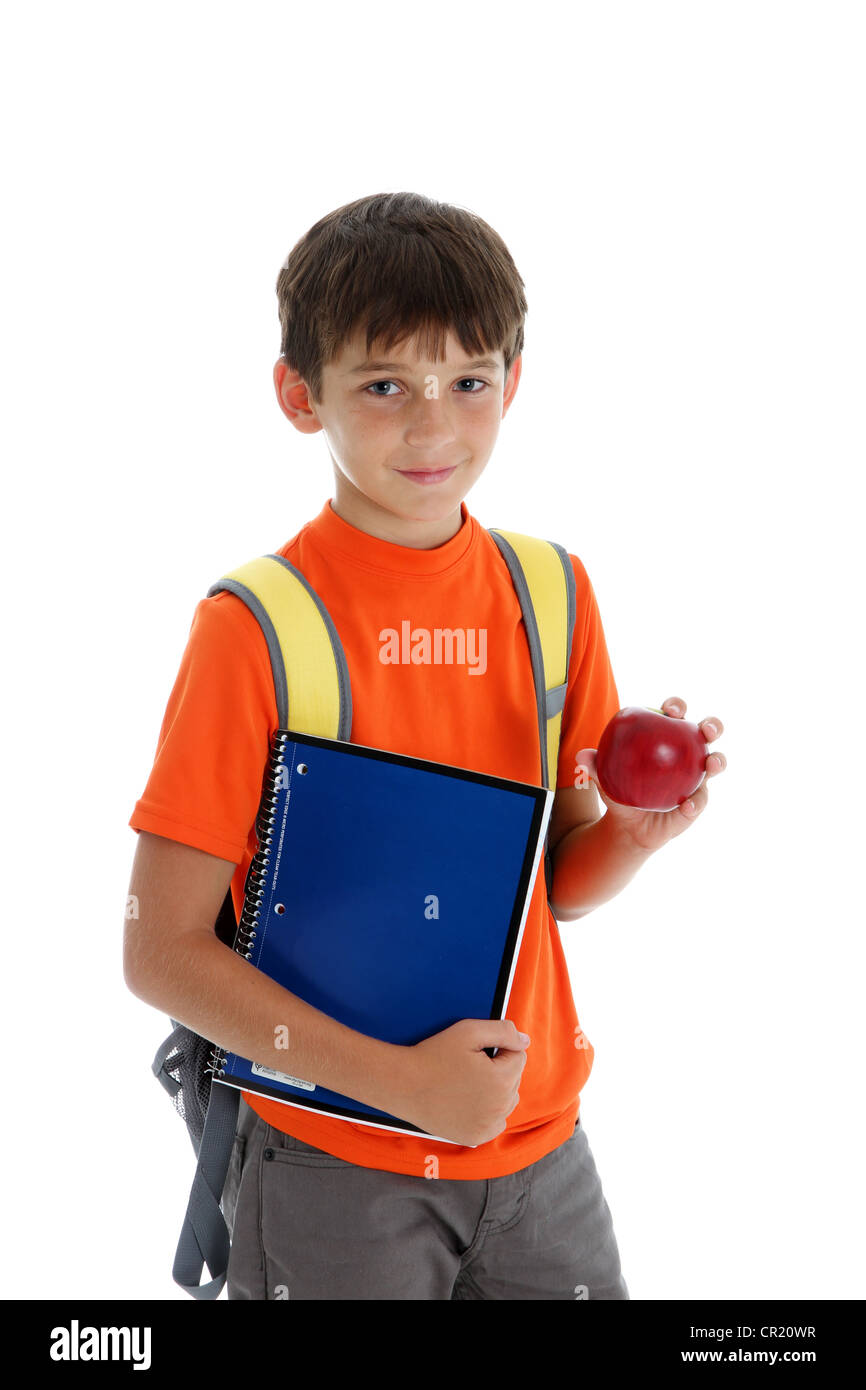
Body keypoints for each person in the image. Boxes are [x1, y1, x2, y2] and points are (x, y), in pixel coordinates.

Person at [124, 191, 726, 1300]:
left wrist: (631, 840)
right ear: (299, 398)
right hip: (334, 1164)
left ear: (513, 383)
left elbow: (555, 889)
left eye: (468, 382)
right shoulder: (255, 625)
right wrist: (404, 1087)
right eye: (384, 385)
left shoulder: (551, 591)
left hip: (538, 1146)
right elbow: (158, 952)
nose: (433, 426)